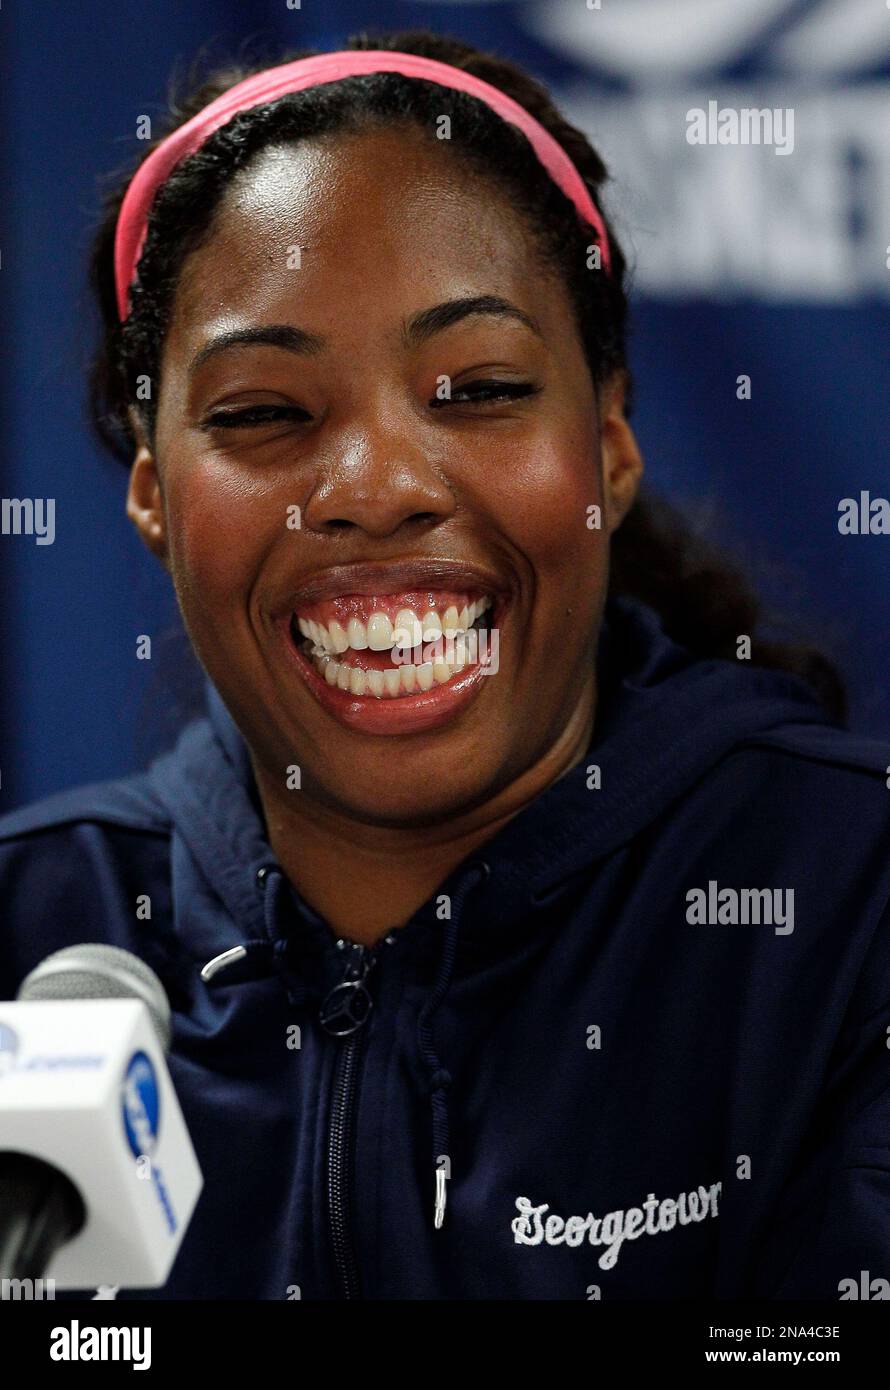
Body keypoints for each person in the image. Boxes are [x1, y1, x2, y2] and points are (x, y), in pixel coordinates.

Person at [1, 28, 888, 1301]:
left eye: (475, 388)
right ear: (151, 492)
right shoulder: (36, 932)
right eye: (261, 412)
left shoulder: (847, 907)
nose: (375, 487)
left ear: (609, 445)